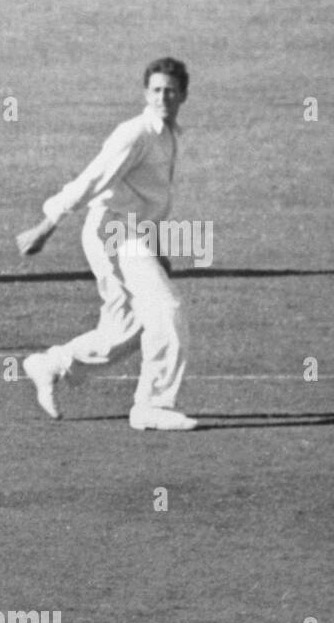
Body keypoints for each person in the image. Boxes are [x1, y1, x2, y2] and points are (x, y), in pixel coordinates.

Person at [16, 57, 198, 431]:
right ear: (145, 93)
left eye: (170, 90)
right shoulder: (135, 133)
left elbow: (149, 198)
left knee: (126, 330)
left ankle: (51, 365)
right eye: (156, 90)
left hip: (133, 235)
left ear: (183, 94)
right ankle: (152, 405)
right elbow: (92, 179)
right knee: (166, 310)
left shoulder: (168, 135)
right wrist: (46, 225)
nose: (163, 96)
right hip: (112, 233)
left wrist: (156, 246)